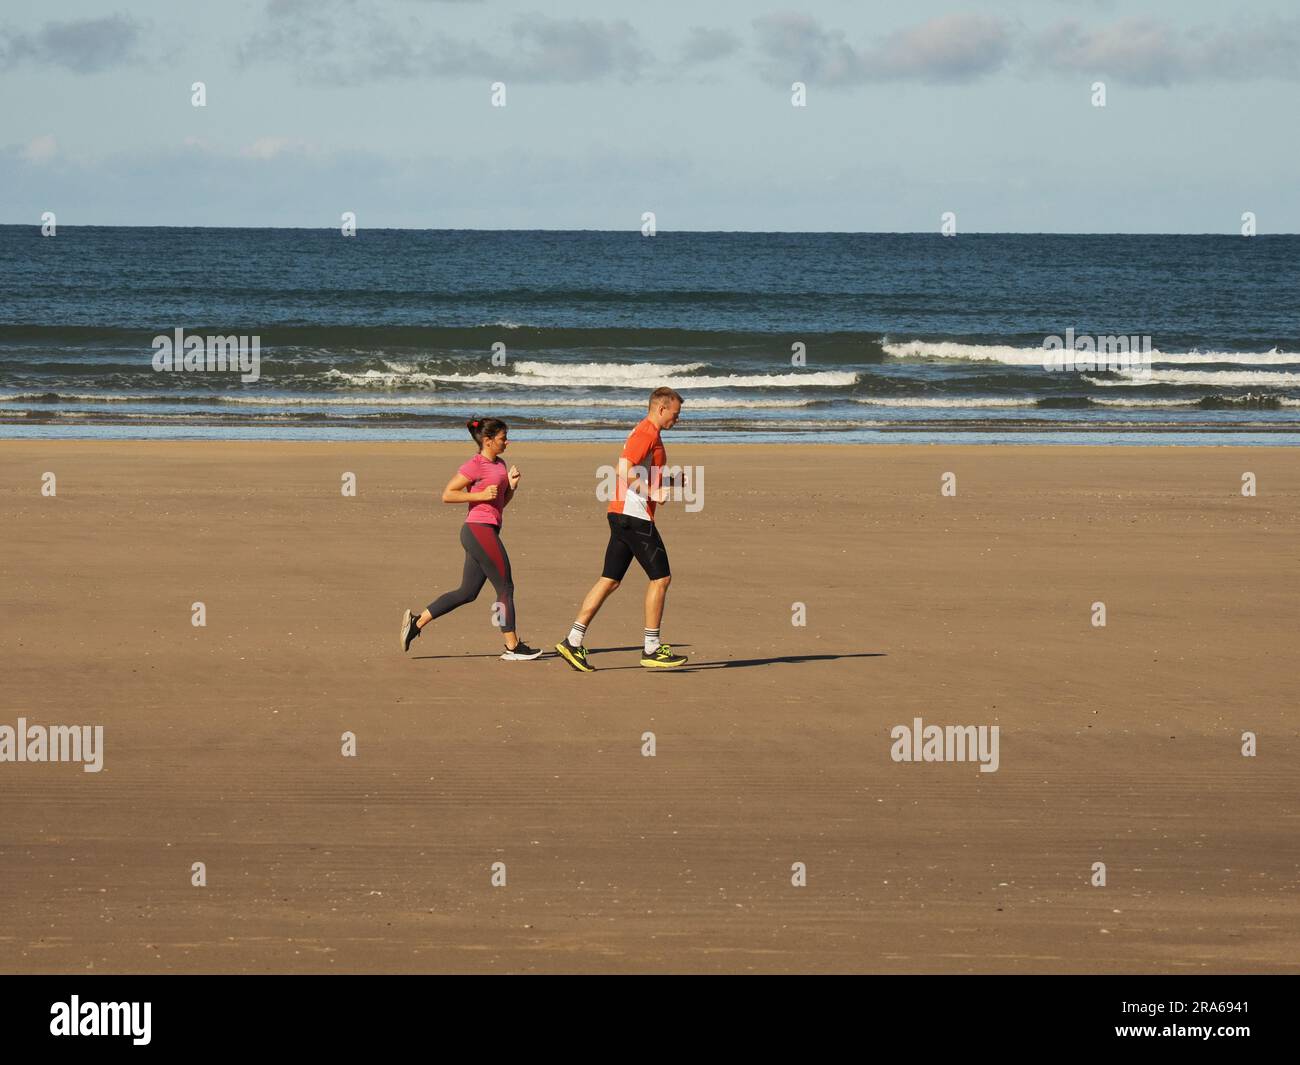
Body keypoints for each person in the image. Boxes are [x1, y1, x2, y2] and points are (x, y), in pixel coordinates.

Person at [555, 388, 689, 671]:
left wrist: (671, 481)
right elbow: (623, 469)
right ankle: (652, 649)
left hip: (622, 515)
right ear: (661, 409)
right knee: (661, 578)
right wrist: (652, 490)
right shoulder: (646, 433)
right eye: (675, 415)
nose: (677, 420)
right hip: (633, 517)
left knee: (609, 580)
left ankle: (572, 641)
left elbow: (641, 470)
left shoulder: (649, 433)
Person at [401, 417, 542, 660]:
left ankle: (416, 622)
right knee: (505, 586)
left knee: (467, 592)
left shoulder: (500, 464)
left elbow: (498, 505)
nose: (507, 442)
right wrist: (479, 495)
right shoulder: (475, 465)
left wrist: (511, 487)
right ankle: (512, 646)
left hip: (487, 529)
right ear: (487, 441)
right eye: (502, 438)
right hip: (478, 530)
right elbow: (447, 494)